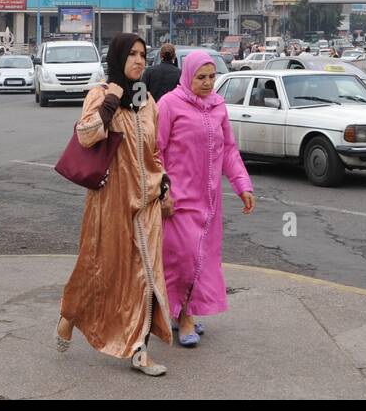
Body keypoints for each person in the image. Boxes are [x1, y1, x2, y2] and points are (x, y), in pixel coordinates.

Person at [56, 33, 173, 376]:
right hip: (111, 201)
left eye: (143, 55)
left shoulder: (148, 100)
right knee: (100, 270)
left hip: (148, 199)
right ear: (118, 57)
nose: (139, 60)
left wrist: (163, 182)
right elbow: (86, 134)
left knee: (147, 276)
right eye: (132, 54)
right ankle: (69, 315)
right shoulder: (100, 93)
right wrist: (111, 101)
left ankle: (139, 350)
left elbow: (153, 150)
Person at [157, 51, 255, 347]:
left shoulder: (218, 107)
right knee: (185, 259)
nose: (207, 83)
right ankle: (184, 317)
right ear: (187, 76)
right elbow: (155, 151)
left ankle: (179, 312)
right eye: (201, 77)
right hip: (177, 201)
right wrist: (163, 192)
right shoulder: (169, 105)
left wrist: (242, 185)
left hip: (209, 203)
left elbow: (229, 151)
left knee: (201, 261)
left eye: (212, 77)